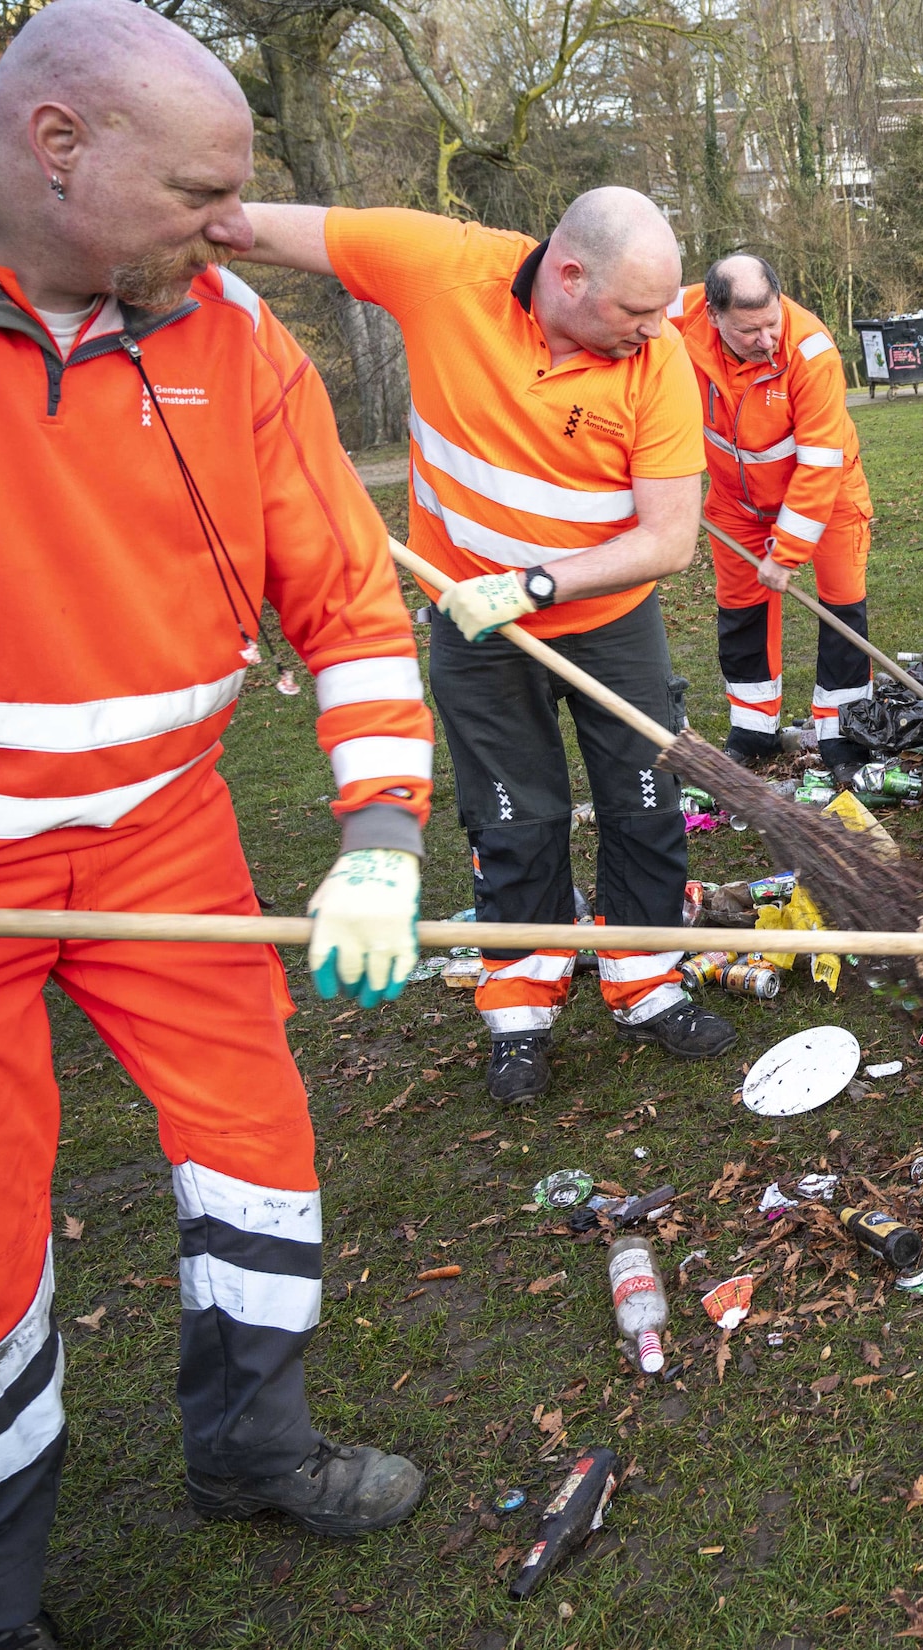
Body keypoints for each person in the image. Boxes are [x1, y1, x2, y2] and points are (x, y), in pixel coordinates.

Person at [0, 3, 436, 1639]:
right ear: (58, 149)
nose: (230, 226)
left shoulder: (236, 336)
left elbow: (352, 603)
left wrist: (384, 836)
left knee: (257, 1149)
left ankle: (252, 1449)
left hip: (165, 833)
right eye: (197, 191)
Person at [238, 189, 738, 1105]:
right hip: (471, 634)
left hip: (608, 623)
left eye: (666, 306)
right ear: (568, 274)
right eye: (637, 309)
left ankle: (644, 980)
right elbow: (248, 226)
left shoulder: (658, 360)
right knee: (514, 817)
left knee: (644, 803)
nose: (659, 327)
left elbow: (669, 541)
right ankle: (520, 1005)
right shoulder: (442, 269)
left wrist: (531, 584)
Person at [671, 254, 876, 773]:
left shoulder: (812, 352)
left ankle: (843, 731)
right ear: (714, 315)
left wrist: (785, 553)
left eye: (771, 323)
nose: (765, 340)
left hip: (826, 497)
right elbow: (619, 313)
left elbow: (821, 464)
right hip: (737, 504)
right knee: (741, 612)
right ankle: (754, 729)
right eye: (748, 330)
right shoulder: (678, 312)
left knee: (840, 606)